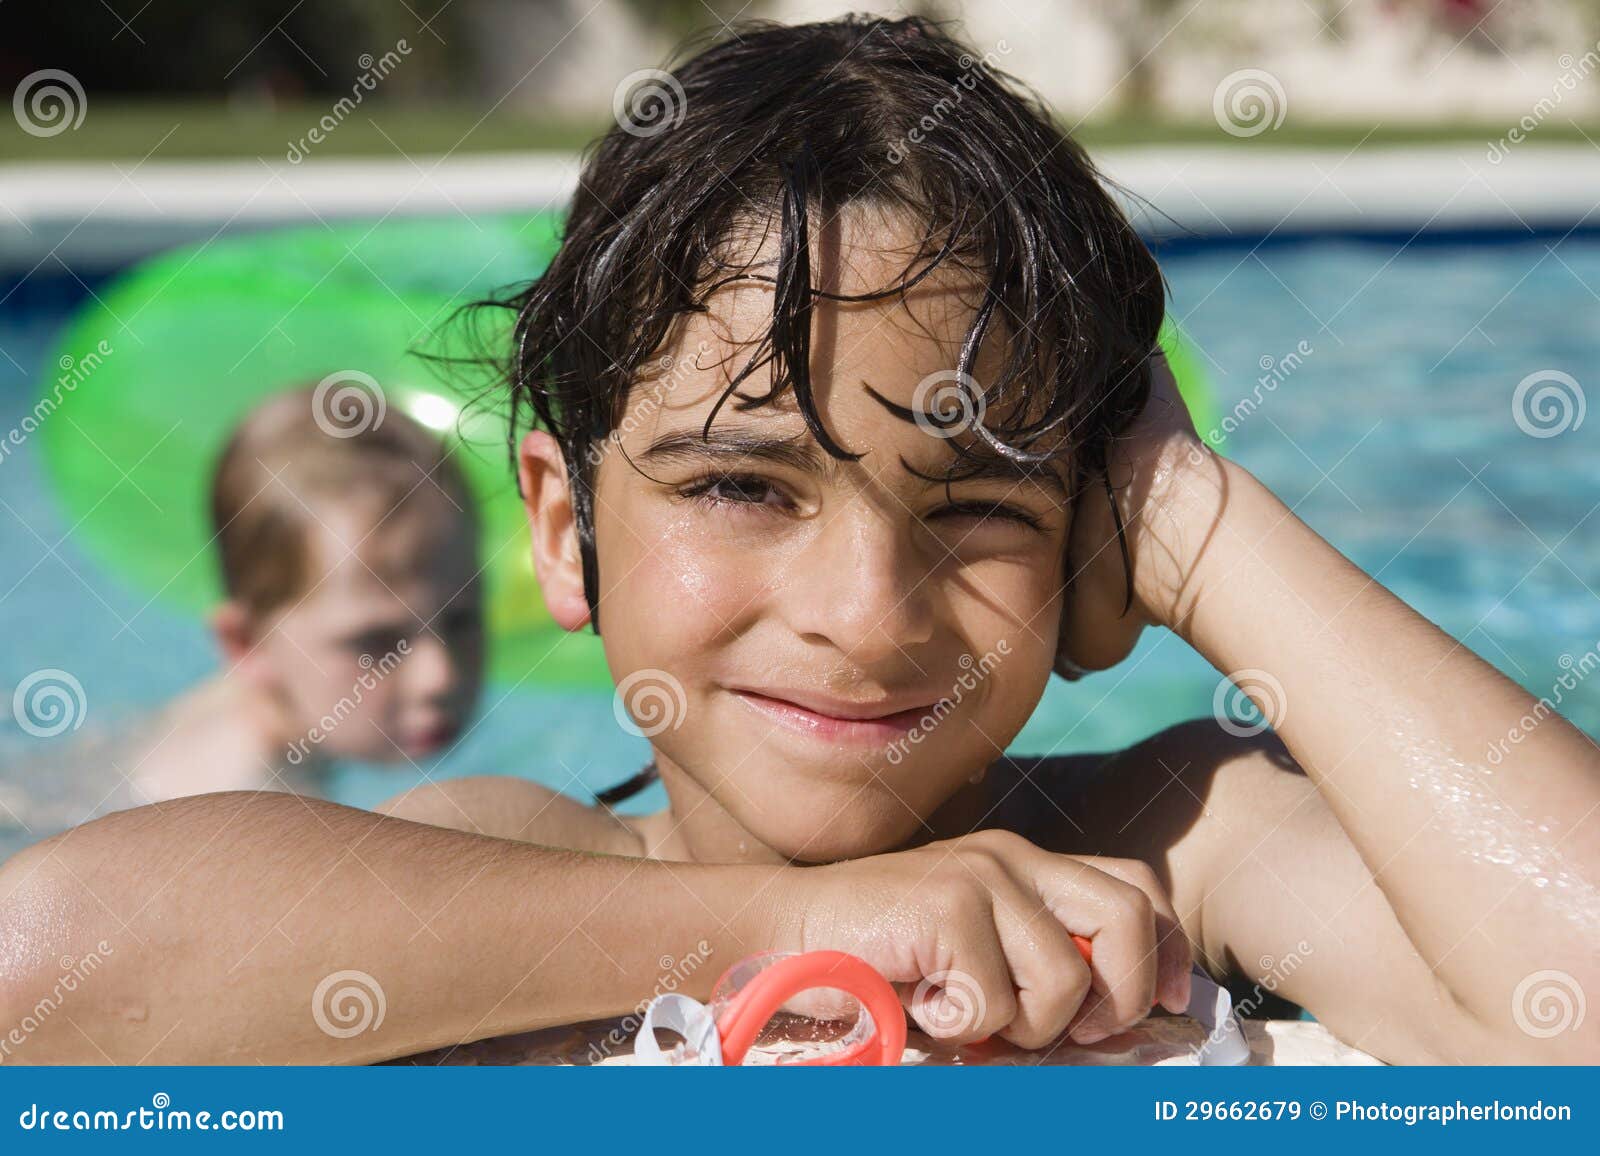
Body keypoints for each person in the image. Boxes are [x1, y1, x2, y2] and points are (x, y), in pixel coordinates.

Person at [1, 16, 1594, 1067]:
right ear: (566, 533)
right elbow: (42, 980)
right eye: (743, 487)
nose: (866, 612)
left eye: (978, 505)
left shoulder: (1180, 843)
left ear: (1087, 543)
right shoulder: (509, 863)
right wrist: (793, 929)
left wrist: (1196, 523)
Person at [119, 385, 484, 802]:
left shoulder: (276, 709)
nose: (440, 676)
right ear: (247, 643)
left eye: (462, 620)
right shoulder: (244, 812)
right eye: (378, 642)